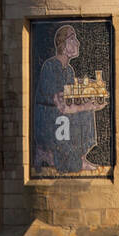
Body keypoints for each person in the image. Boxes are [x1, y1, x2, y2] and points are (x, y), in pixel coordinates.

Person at [33, 25, 100, 173]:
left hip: (58, 113)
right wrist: (85, 106)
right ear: (63, 45)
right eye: (73, 39)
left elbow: (70, 99)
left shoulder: (69, 70)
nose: (77, 43)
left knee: (87, 111)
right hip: (48, 117)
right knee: (84, 111)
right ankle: (55, 154)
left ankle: (80, 157)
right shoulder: (50, 66)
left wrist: (88, 103)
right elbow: (60, 105)